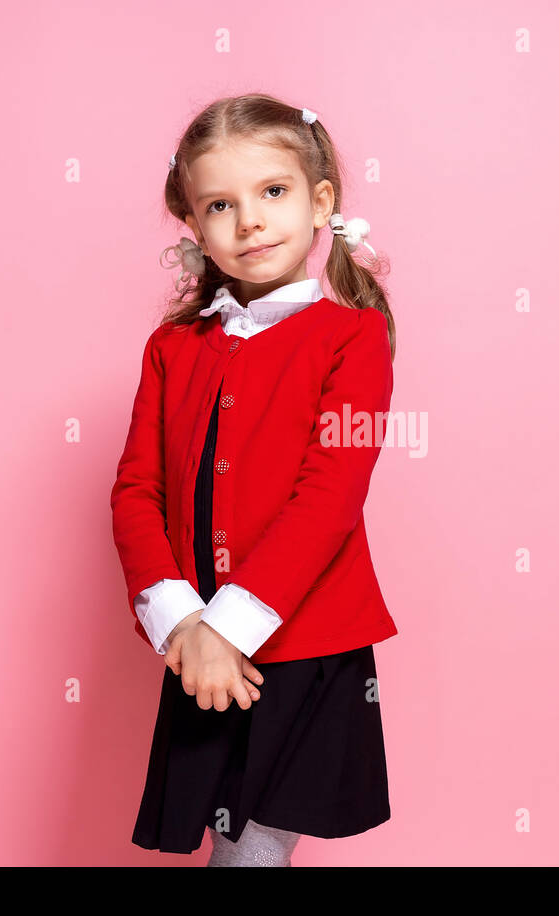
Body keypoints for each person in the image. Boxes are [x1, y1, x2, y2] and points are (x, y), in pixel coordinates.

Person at [109, 94, 400, 866]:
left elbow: (332, 497)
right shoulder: (172, 349)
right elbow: (137, 492)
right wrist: (181, 624)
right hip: (197, 646)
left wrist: (225, 630)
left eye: (273, 192)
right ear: (196, 227)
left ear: (320, 202)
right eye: (220, 205)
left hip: (302, 645)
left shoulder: (355, 338)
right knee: (228, 851)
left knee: (251, 856)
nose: (251, 221)